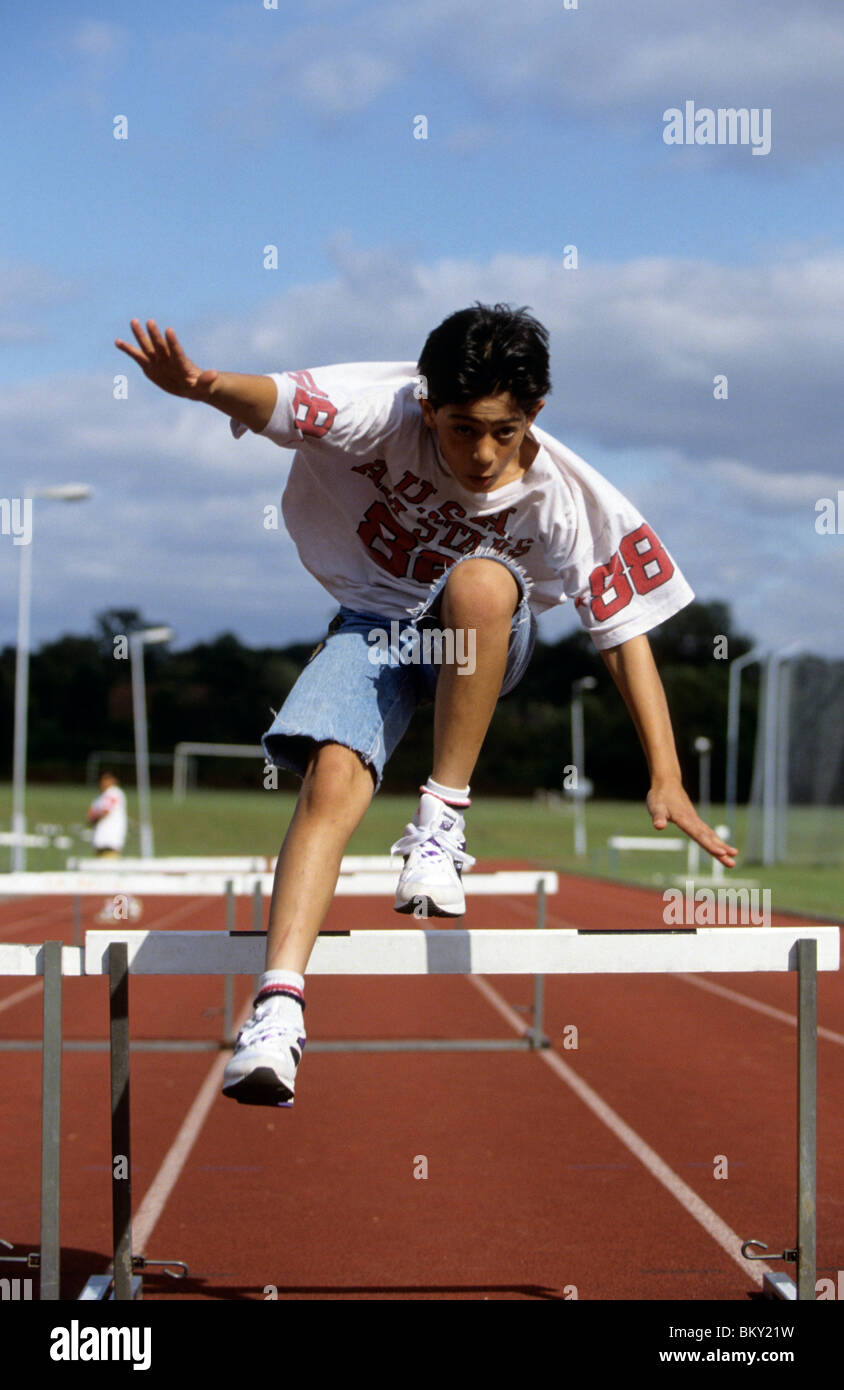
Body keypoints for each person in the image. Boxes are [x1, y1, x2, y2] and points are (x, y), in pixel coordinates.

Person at [116, 303, 737, 1108]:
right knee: (332, 777)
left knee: (480, 580)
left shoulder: (567, 500)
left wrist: (666, 773)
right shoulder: (379, 408)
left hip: (474, 647)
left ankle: (441, 822)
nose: (481, 455)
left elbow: (621, 634)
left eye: (503, 432)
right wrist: (201, 387)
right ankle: (277, 1013)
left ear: (534, 415)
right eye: (459, 429)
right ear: (425, 405)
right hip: (374, 625)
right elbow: (273, 401)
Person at [86, 771, 142, 923]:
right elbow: (90, 815)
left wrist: (95, 815)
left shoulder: (114, 794)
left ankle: (117, 909)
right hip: (100, 840)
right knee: (106, 877)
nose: (103, 783)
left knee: (109, 877)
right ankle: (127, 903)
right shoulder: (100, 797)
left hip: (110, 840)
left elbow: (102, 812)